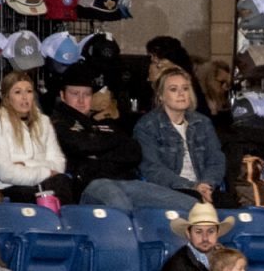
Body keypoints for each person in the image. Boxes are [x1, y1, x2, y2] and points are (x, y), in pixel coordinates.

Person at [52, 65, 190, 212]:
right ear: (62, 95)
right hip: (91, 186)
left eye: (86, 94)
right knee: (122, 209)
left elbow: (133, 152)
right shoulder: (58, 124)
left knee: (192, 206)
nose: (81, 100)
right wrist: (110, 144)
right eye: (74, 94)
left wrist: (97, 150)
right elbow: (81, 146)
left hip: (128, 182)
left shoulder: (104, 123)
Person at [134, 67, 225, 206]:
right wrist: (191, 187)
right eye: (173, 89)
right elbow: (152, 168)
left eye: (185, 88)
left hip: (205, 189)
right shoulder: (147, 126)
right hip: (169, 191)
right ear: (161, 96)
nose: (181, 94)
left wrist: (206, 184)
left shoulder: (202, 122)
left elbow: (216, 160)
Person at [0, 71, 75, 206]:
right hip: (11, 188)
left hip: (45, 185)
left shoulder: (44, 121)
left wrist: (26, 164)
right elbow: (5, 172)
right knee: (57, 187)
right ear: (7, 97)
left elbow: (59, 164)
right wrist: (45, 171)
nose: (25, 97)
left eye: (29, 91)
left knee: (62, 182)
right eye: (18, 92)